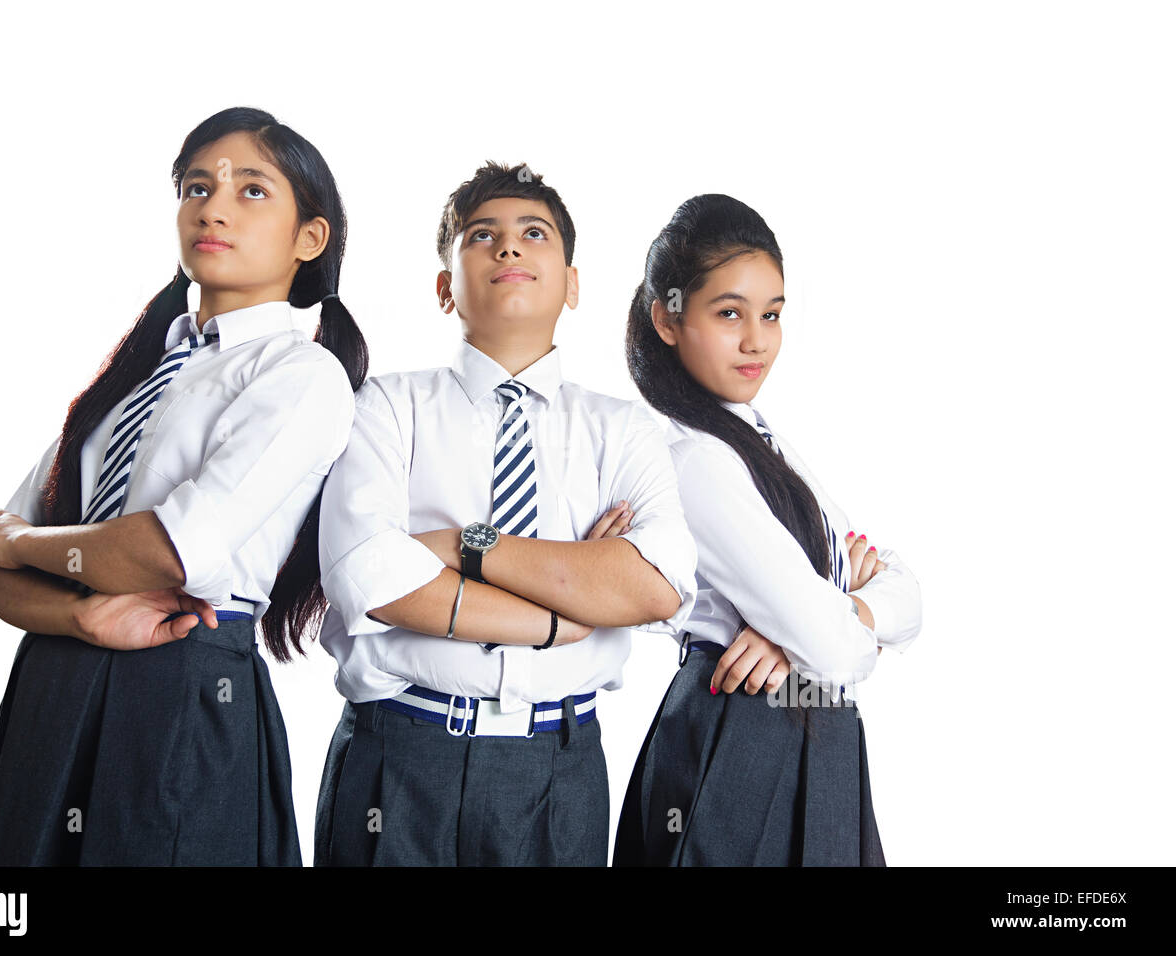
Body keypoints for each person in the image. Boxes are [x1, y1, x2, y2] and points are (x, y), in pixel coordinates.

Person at [0, 106, 367, 866]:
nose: (214, 205)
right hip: (51, 679)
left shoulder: (300, 374)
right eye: (196, 186)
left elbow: (170, 551)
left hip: (183, 687)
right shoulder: (134, 376)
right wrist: (80, 619)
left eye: (252, 190)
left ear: (311, 237)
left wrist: (22, 544)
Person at [312, 162, 698, 866]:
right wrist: (564, 611)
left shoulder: (622, 431)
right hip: (399, 760)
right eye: (482, 236)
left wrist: (461, 546)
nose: (509, 248)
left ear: (573, 283)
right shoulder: (386, 407)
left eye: (534, 234)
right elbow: (368, 577)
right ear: (443, 287)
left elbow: (657, 585)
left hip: (557, 771)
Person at [613, 194, 922, 866]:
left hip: (817, 733)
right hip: (738, 742)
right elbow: (839, 654)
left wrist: (834, 617)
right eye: (729, 313)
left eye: (772, 315)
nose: (757, 339)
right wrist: (817, 629)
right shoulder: (697, 461)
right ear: (668, 318)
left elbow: (907, 595)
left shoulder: (759, 445)